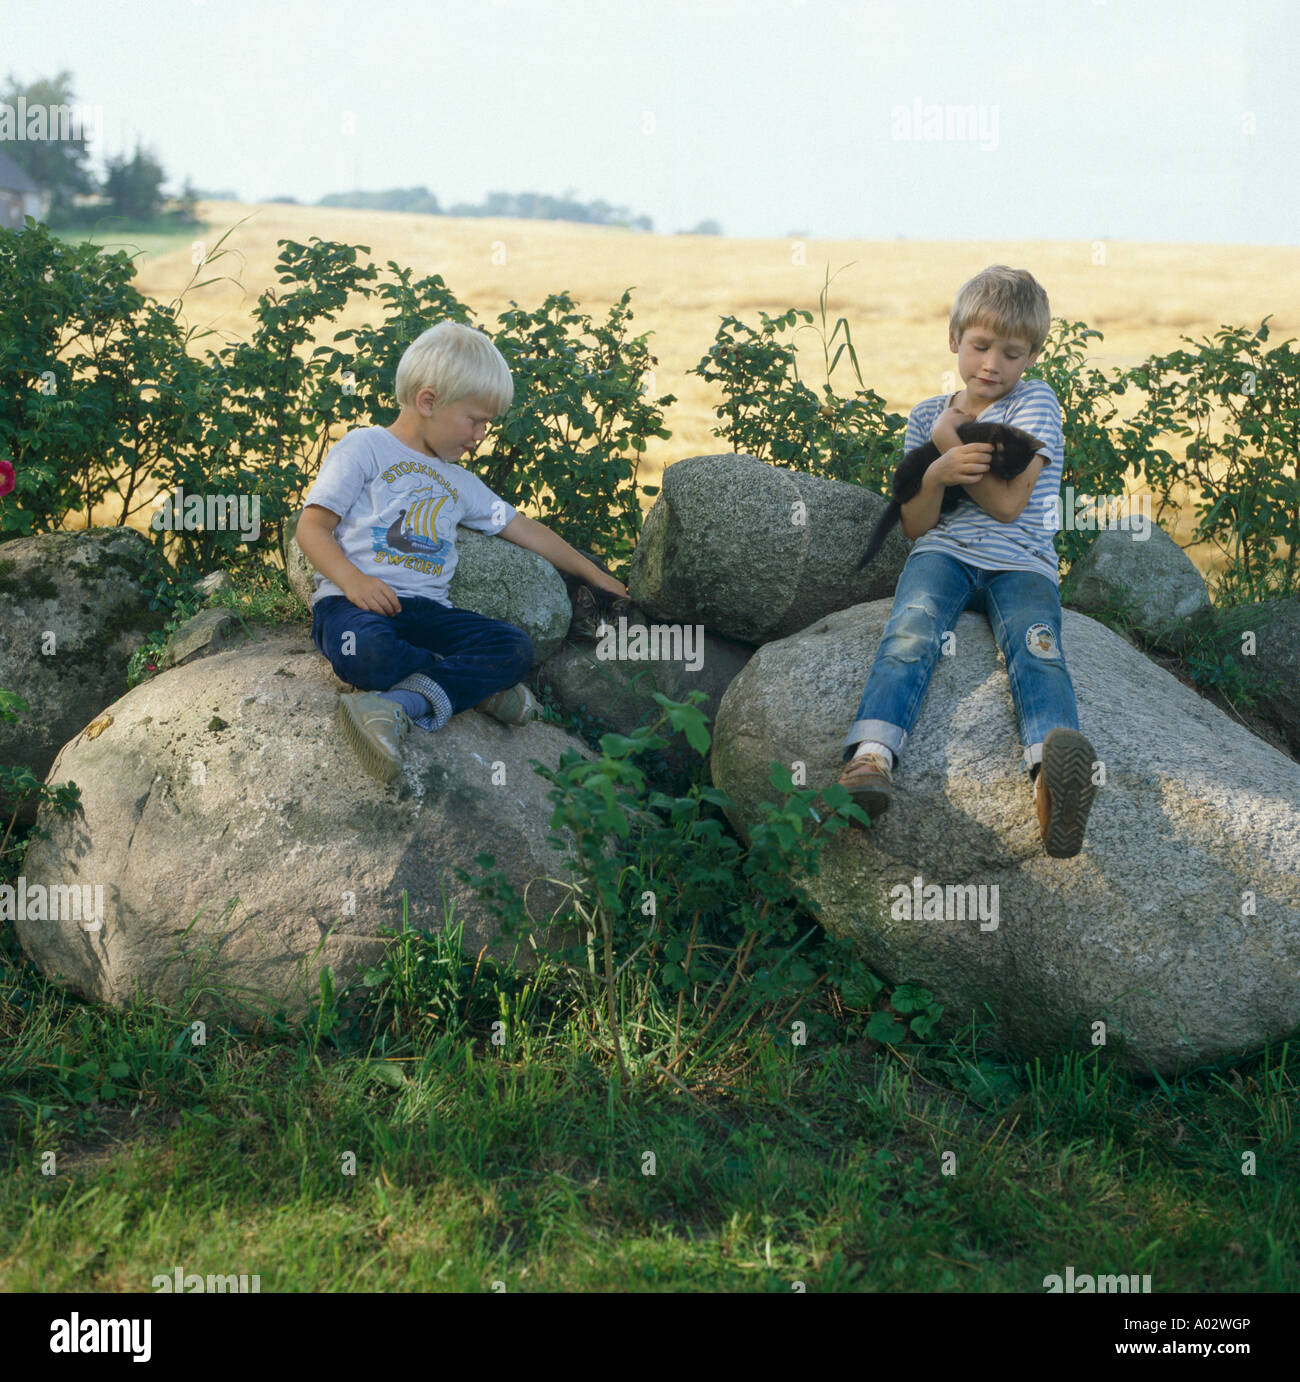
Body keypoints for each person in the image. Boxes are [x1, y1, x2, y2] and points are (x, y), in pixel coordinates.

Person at [837, 266, 1098, 858]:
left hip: (1021, 561)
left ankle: (1052, 780)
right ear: (955, 339)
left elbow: (1008, 506)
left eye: (1011, 353)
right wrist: (932, 473)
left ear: (1032, 355)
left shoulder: (1035, 404)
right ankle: (871, 759)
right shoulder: (926, 413)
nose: (992, 365)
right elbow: (916, 524)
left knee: (1038, 648)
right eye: (980, 347)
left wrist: (950, 445)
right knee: (911, 629)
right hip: (944, 552)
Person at [297, 320, 627, 784]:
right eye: (475, 420)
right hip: (353, 607)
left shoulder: (458, 481)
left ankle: (396, 705)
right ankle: (475, 691)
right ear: (428, 402)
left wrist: (593, 574)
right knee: (366, 651)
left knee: (512, 648)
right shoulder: (364, 448)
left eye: (488, 424)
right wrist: (353, 580)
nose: (480, 436)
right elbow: (312, 527)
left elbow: (523, 528)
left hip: (428, 613)